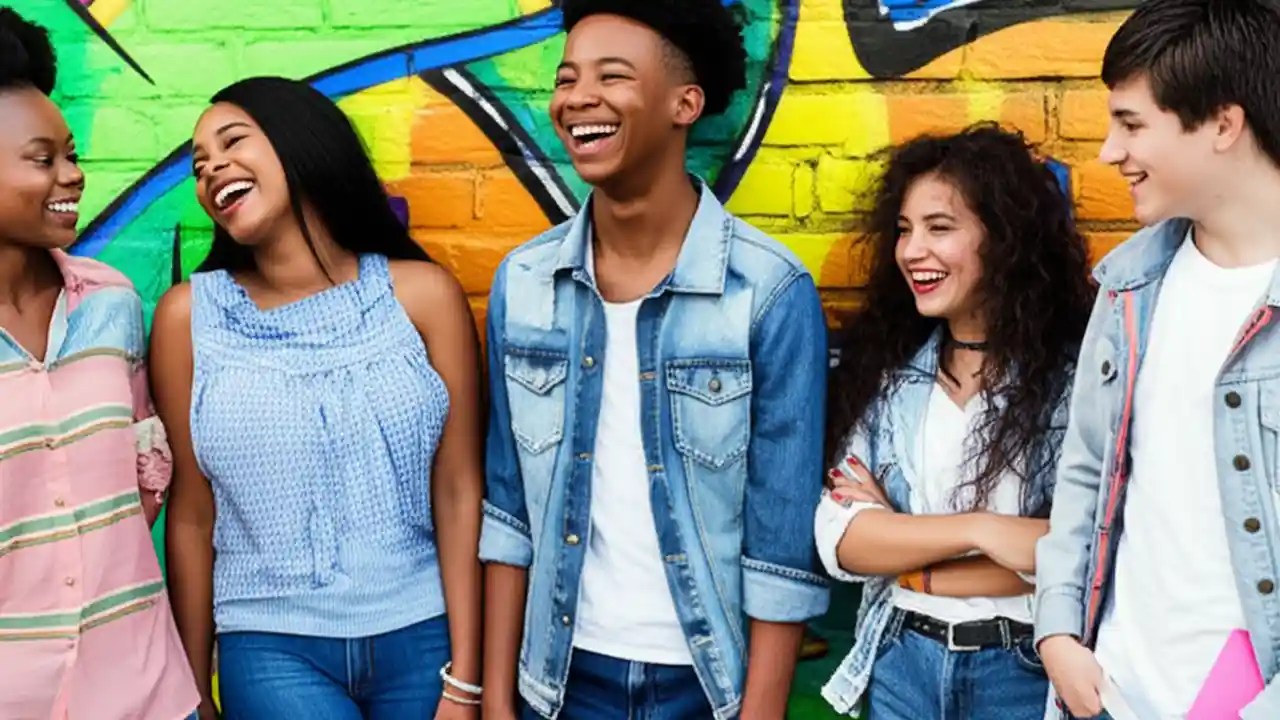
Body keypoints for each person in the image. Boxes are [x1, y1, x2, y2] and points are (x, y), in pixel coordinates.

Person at [478, 1, 830, 718]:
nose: (578, 99)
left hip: (705, 686)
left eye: (612, 76)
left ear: (684, 103)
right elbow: (508, 509)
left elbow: (781, 544)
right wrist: (496, 702)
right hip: (561, 680)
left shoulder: (766, 292)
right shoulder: (524, 284)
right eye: (567, 78)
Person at [151, 76, 484, 720]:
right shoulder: (188, 319)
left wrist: (465, 677)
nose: (212, 167)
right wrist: (194, 687)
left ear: (300, 143)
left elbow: (459, 487)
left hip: (424, 635)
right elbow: (192, 513)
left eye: (233, 141)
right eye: (199, 163)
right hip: (271, 649)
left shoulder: (421, 297)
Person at [1033, 1, 1280, 718]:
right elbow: (1084, 471)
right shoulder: (1128, 289)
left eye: (1132, 124)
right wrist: (1056, 634)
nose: (1110, 151)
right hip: (1107, 696)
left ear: (1224, 125)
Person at [815, 123, 1094, 720]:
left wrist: (912, 558)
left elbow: (1087, 549)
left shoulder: (1074, 381)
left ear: (1005, 239)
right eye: (904, 229)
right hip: (899, 665)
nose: (912, 250)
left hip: (1024, 669)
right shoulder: (887, 374)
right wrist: (985, 531)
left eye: (939, 228)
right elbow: (846, 540)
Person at [0, 7, 199, 719]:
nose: (74, 176)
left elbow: (144, 479)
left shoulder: (112, 304)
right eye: (44, 159)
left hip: (147, 691)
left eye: (73, 154)